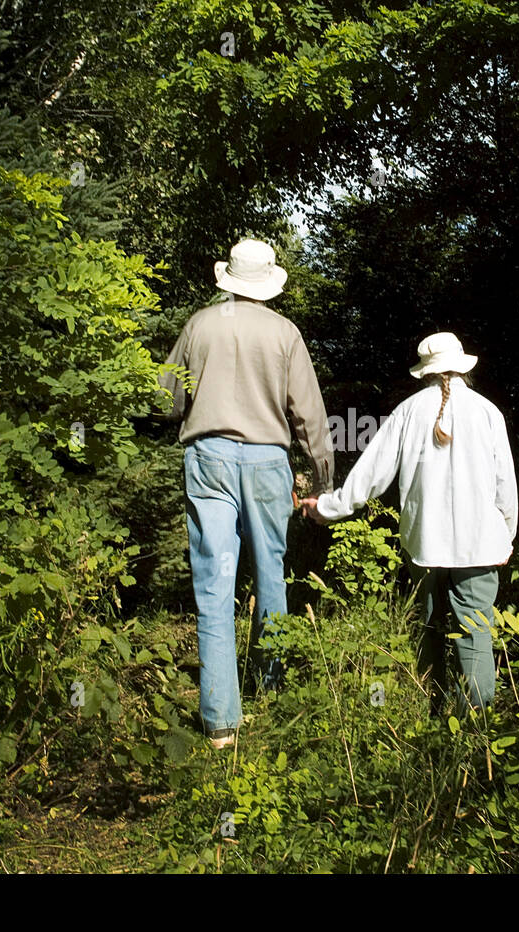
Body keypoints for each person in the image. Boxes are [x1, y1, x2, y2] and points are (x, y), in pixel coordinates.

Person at [159, 239, 334, 749]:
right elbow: (311, 417)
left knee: (214, 583)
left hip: (208, 456)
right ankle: (270, 690)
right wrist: (322, 483)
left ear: (228, 279)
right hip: (266, 462)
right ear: (268, 283)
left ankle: (220, 723)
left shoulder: (198, 325)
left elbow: (165, 398)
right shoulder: (285, 333)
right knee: (271, 576)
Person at [302, 332, 517, 715]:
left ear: (426, 372)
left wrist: (328, 506)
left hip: (425, 545)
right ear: (461, 366)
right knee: (475, 632)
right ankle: (476, 728)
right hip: (482, 544)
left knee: (431, 627)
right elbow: (506, 485)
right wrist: (507, 536)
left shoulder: (408, 411)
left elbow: (371, 476)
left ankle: (433, 711)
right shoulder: (488, 412)